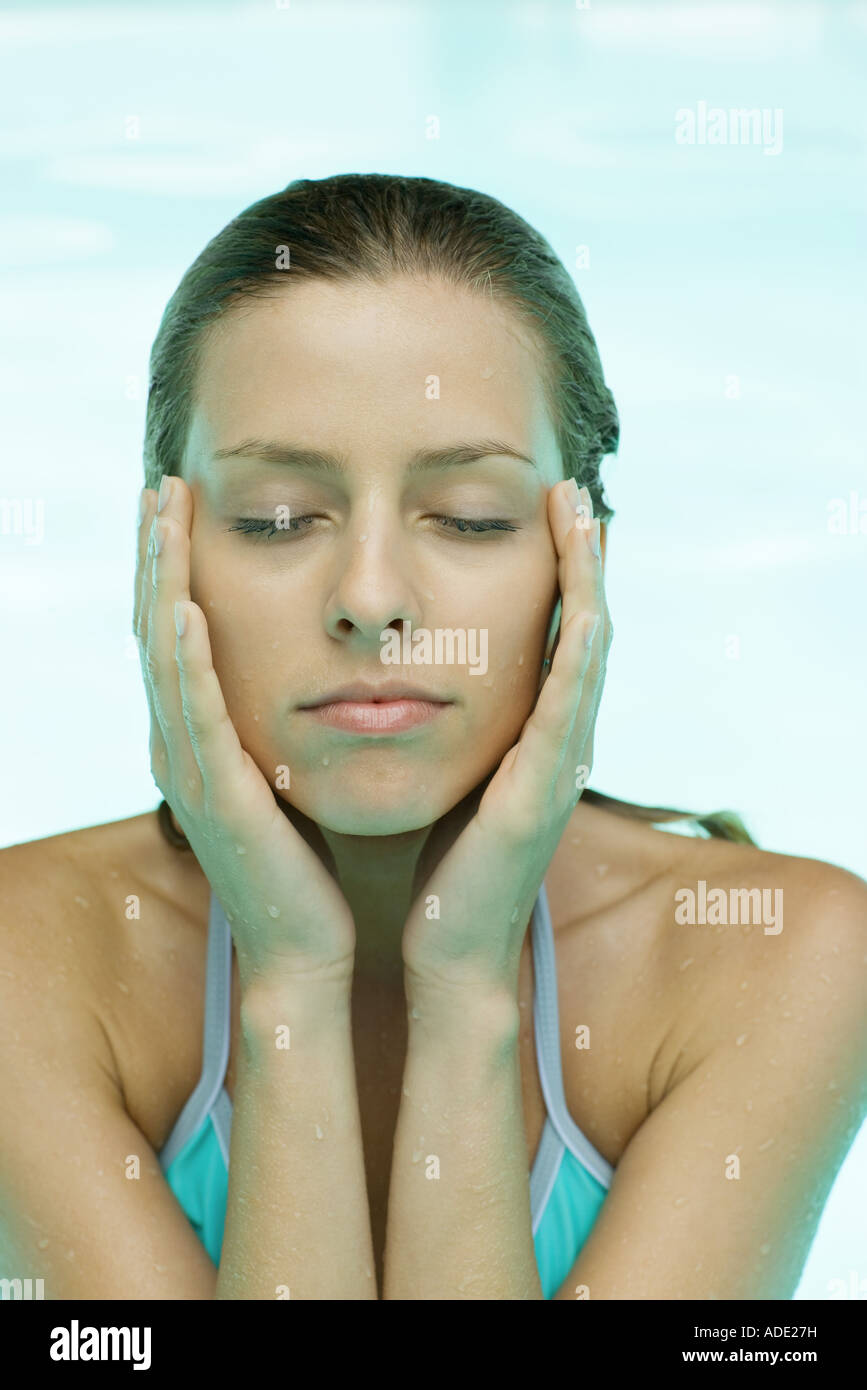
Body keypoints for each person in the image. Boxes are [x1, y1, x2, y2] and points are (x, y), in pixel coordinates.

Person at [1, 173, 864, 1301]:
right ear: (165, 557)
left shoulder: (778, 962)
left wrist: (464, 995)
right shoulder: (30, 967)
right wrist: (292, 981)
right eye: (275, 518)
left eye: (470, 517)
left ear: (580, 555)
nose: (370, 595)